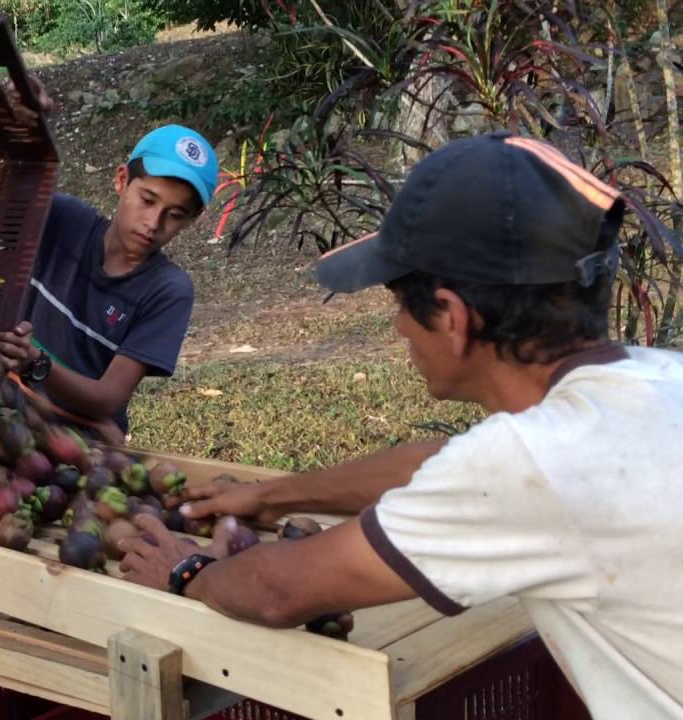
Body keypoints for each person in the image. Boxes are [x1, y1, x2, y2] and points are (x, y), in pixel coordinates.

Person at [116, 132, 683, 718]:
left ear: (454, 319)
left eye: (399, 306)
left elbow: (277, 591)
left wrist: (187, 571)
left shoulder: (532, 463)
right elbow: (440, 463)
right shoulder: (653, 384)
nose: (399, 330)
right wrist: (274, 493)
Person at [0, 123, 219, 441]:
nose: (153, 223)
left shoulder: (168, 290)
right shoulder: (63, 220)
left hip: (80, 445)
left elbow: (108, 399)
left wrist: (35, 361)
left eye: (175, 214)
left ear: (193, 220)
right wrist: (22, 126)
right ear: (122, 180)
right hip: (1, 414)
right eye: (148, 200)